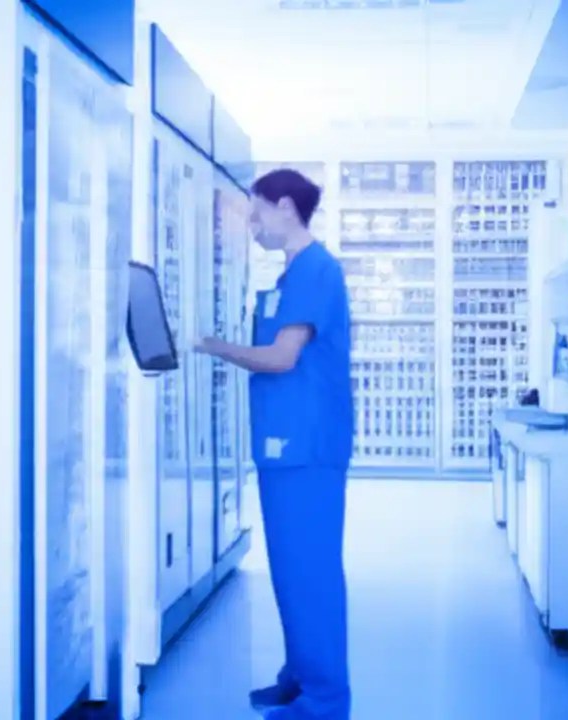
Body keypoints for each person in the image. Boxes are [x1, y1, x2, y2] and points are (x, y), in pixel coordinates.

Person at [194, 168, 353, 720]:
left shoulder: (315, 271)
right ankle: (300, 678)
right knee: (290, 570)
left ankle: (327, 700)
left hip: (308, 447)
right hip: (283, 446)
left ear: (286, 206)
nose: (252, 222)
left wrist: (211, 345)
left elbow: (283, 358)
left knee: (310, 572)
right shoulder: (289, 278)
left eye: (257, 210)